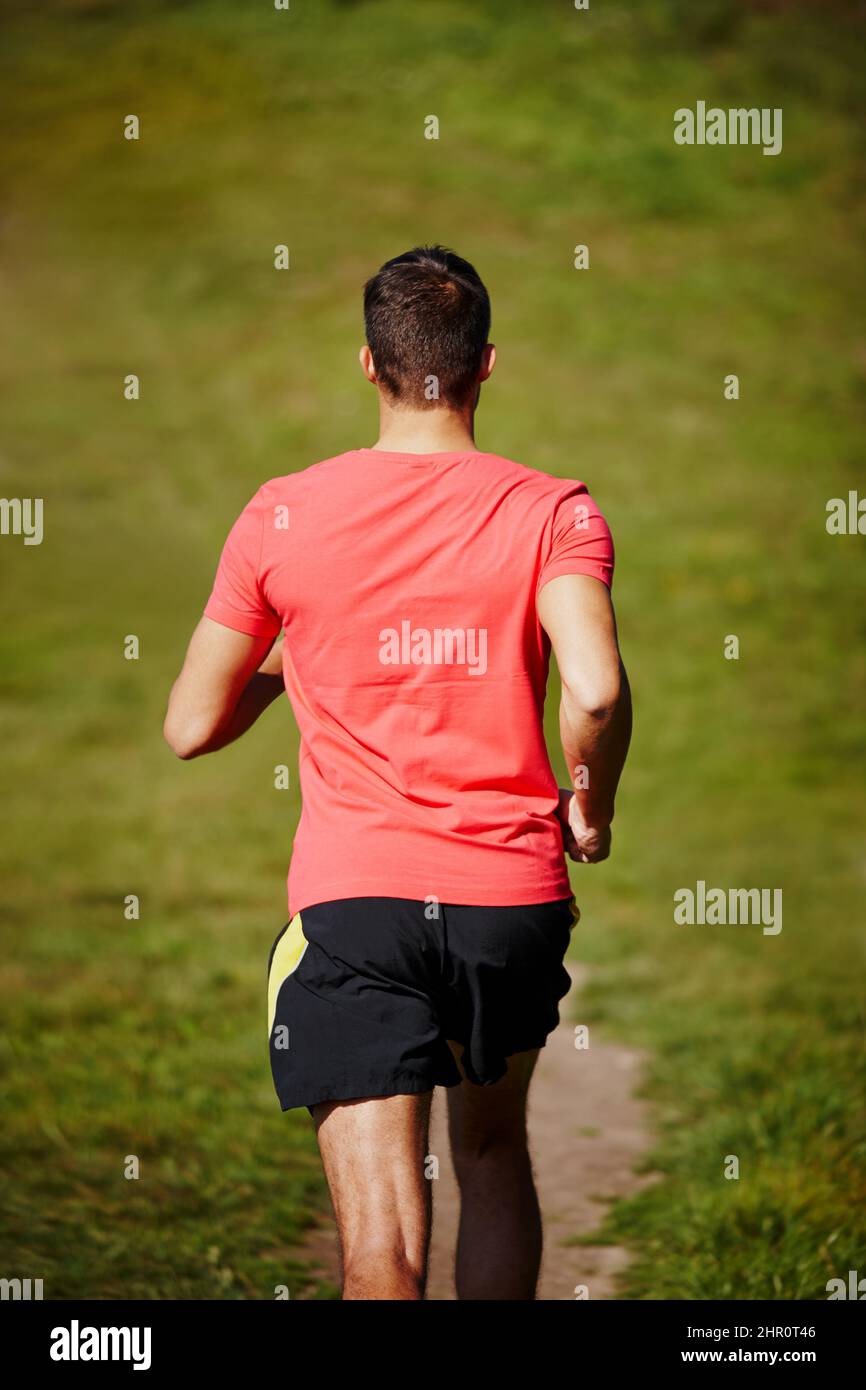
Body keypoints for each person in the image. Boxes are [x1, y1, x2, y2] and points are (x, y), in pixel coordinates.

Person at [164, 245, 632, 1300]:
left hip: (354, 901)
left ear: (369, 367)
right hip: (506, 900)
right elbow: (595, 689)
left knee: (380, 1251)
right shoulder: (554, 509)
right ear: (485, 366)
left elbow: (190, 723)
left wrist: (295, 654)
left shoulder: (281, 512)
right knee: (490, 1157)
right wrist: (587, 808)